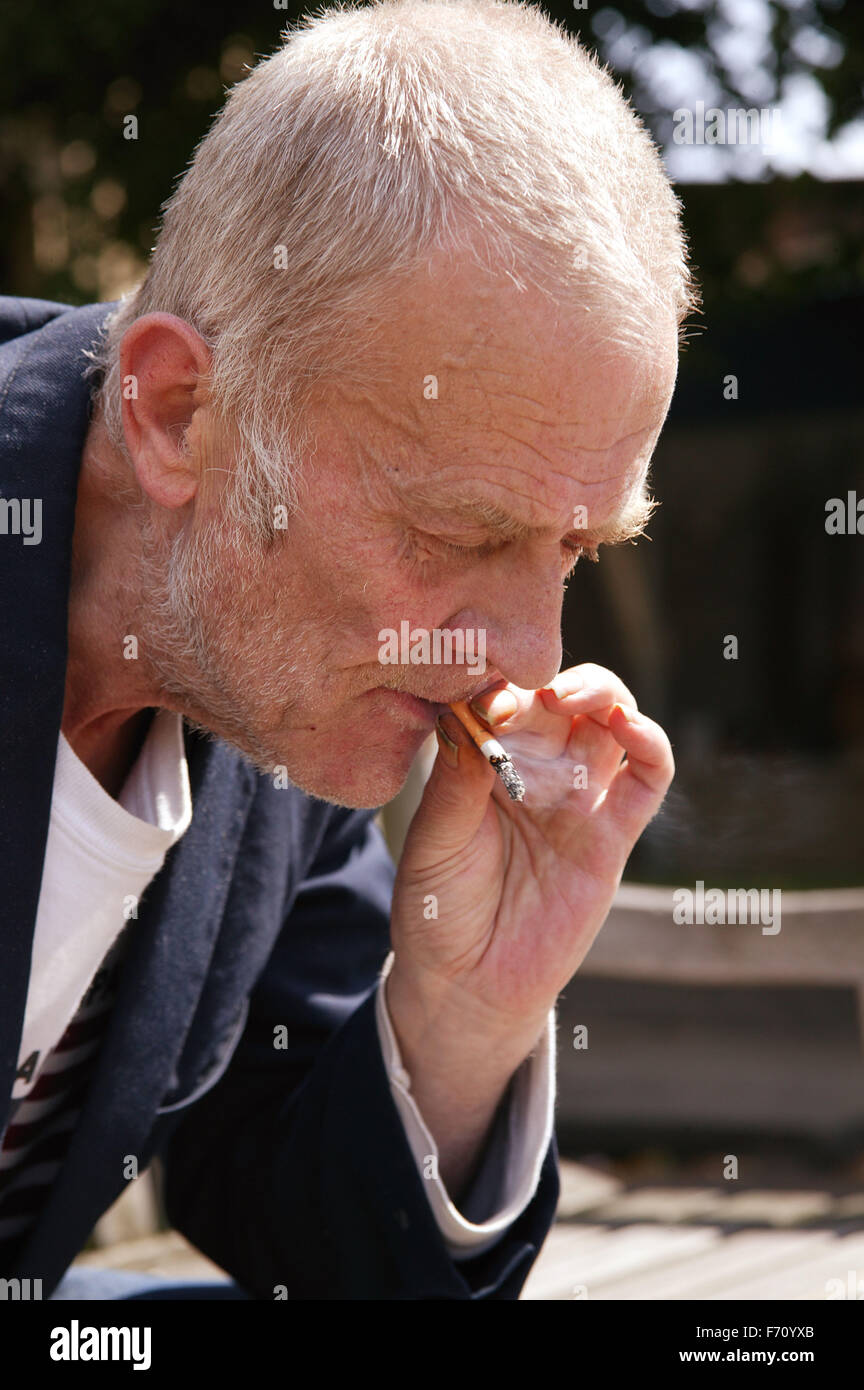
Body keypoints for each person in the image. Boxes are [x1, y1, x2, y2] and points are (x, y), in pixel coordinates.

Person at [0, 0, 694, 1300]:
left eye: (575, 551)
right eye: (454, 530)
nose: (523, 658)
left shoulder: (272, 709)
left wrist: (464, 1018)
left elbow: (308, 1236)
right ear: (178, 410)